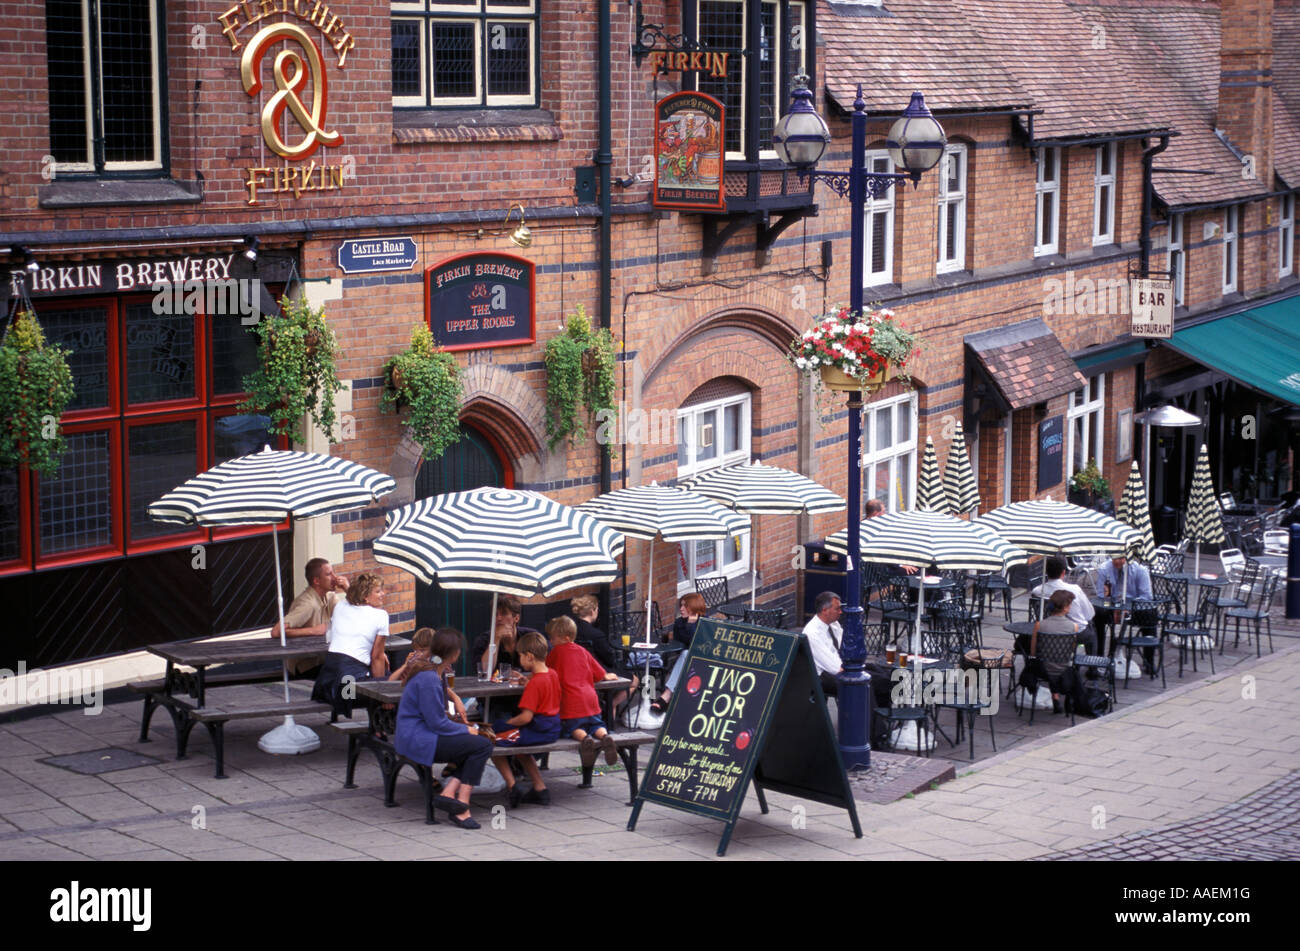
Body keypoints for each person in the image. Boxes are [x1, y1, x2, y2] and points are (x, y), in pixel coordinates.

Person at [394, 627, 493, 830]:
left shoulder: (431, 671)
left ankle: (450, 795)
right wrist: (465, 730)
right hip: (419, 739)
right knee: (481, 745)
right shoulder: (429, 677)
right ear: (454, 654)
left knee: (478, 745)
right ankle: (461, 806)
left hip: (419, 734)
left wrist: (457, 708)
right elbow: (436, 723)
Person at [489, 631, 562, 807]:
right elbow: (542, 687)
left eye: (520, 656)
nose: (519, 660)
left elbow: (525, 718)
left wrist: (504, 725)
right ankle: (540, 788)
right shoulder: (552, 674)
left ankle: (513, 786)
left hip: (538, 729)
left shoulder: (535, 684)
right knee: (520, 748)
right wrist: (527, 681)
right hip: (553, 727)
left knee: (490, 741)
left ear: (529, 657)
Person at [310, 572, 390, 718]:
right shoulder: (381, 616)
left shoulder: (340, 606)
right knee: (397, 684)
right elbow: (377, 658)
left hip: (326, 686)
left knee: (380, 677)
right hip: (348, 692)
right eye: (378, 591)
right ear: (365, 596)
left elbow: (353, 600)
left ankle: (378, 729)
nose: (382, 594)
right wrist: (383, 695)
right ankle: (381, 730)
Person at [546, 615, 620, 768]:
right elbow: (600, 674)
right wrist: (608, 675)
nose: (551, 641)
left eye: (553, 638)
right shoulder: (583, 651)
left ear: (565, 638)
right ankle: (605, 737)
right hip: (591, 701)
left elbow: (547, 673)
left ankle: (585, 740)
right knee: (596, 724)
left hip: (570, 702)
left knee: (573, 727)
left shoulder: (555, 653)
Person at [271, 557, 349, 677]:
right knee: (347, 674)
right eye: (329, 574)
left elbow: (353, 616)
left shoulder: (330, 597)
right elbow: (277, 631)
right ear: (316, 581)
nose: (335, 578)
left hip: (323, 659)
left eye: (333, 573)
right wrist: (314, 630)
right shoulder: (308, 604)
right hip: (306, 666)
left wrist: (348, 590)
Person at [648, 592, 707, 715]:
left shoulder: (704, 624)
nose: (681, 609)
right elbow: (678, 644)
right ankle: (668, 696)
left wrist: (691, 626)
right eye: (681, 605)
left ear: (694, 606)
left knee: (686, 654)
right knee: (685, 654)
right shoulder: (679, 623)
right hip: (684, 661)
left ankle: (666, 695)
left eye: (685, 606)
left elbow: (696, 645)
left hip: (703, 662)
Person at [1093, 554, 1154, 659]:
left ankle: (1149, 660)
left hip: (1134, 608)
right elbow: (1101, 595)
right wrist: (1113, 607)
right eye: (1115, 558)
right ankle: (1098, 657)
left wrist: (1130, 608)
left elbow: (1146, 597)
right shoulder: (1104, 569)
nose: (1117, 561)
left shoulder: (1140, 570)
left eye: (1121, 558)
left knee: (1150, 614)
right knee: (1097, 613)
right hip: (1112, 606)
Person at [1029, 590, 1080, 712]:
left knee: (1046, 662)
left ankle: (1055, 696)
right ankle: (1059, 698)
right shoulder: (1074, 627)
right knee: (1058, 663)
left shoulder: (1039, 625)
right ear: (1066, 608)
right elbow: (1072, 649)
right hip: (1064, 669)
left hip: (1043, 670)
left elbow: (1033, 652)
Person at [1031, 556, 1097, 651]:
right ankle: (1092, 663)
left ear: (1046, 572)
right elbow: (1090, 614)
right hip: (1074, 633)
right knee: (1091, 629)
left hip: (1047, 630)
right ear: (1063, 572)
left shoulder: (1037, 591)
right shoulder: (1075, 590)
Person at [473, 595, 543, 676]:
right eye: (495, 614)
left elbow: (545, 665)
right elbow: (484, 671)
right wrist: (495, 639)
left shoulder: (530, 636)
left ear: (516, 618)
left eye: (504, 613)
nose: (498, 618)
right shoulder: (483, 639)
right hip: (495, 688)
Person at [802, 591, 844, 697]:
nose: (840, 612)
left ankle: (884, 711)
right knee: (866, 683)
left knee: (883, 675)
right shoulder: (812, 633)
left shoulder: (834, 624)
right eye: (837, 609)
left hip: (842, 666)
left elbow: (845, 646)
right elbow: (834, 668)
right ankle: (867, 713)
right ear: (825, 610)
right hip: (824, 675)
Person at [865, 499, 917, 575]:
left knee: (916, 565)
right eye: (883, 511)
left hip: (887, 563)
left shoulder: (867, 524)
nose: (885, 514)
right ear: (876, 514)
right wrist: (901, 564)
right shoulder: (872, 529)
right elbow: (882, 552)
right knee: (916, 571)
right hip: (880, 569)